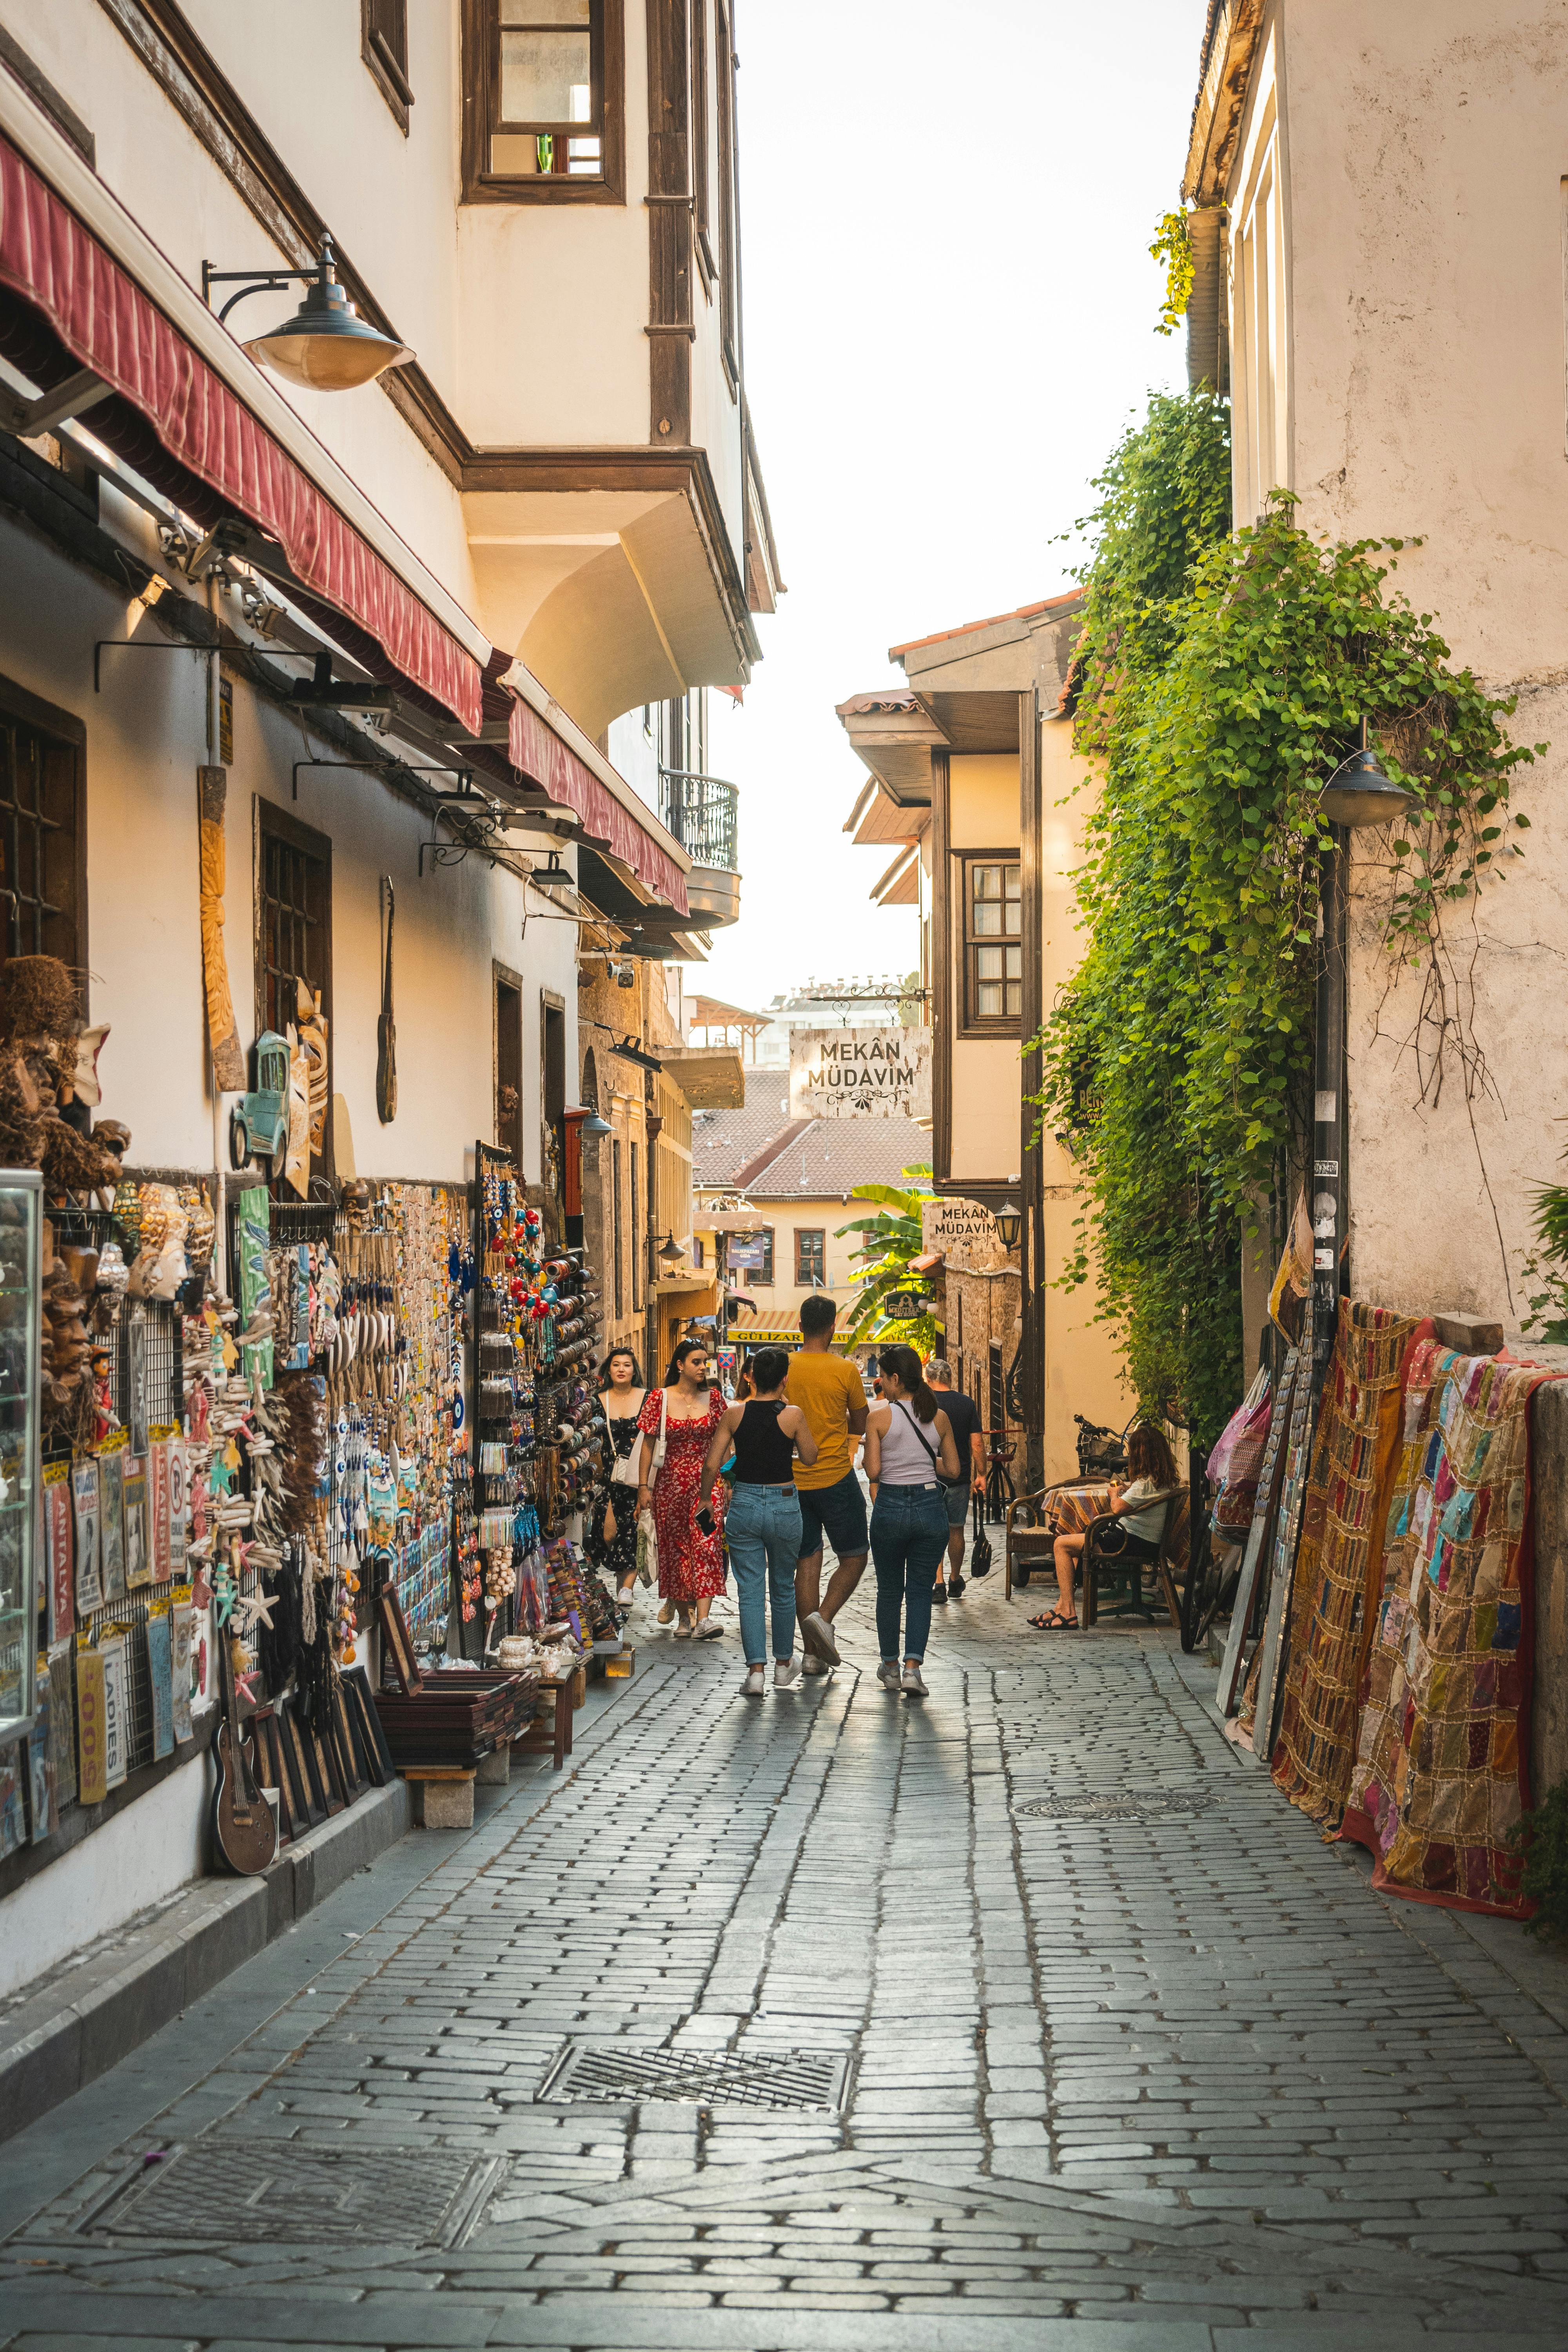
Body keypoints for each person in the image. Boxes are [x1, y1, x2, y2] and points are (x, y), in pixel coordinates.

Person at [700, 1346, 818, 1697]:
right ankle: (784, 1665)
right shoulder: (793, 1415)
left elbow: (711, 1464)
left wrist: (707, 1499)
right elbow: (811, 1458)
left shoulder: (734, 1415)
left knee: (750, 1591)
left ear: (750, 1376)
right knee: (782, 1586)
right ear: (784, 1379)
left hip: (746, 1505)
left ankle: (755, 1673)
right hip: (783, 1505)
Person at [863, 1345, 960, 1697]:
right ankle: (912, 1670)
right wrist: (923, 1461)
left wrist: (880, 1460)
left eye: (884, 1378)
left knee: (890, 1591)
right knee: (920, 1591)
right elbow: (953, 1469)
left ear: (894, 1379)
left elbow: (873, 1471)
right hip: (929, 1508)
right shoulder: (940, 1417)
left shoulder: (878, 1418)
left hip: (890, 1506)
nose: (881, 1385)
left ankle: (889, 1665)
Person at [786, 1295, 870, 1673]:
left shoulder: (784, 1367)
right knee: (854, 1555)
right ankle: (824, 1618)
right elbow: (861, 1420)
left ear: (800, 1326)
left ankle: (810, 1654)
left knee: (807, 1560)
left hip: (792, 1478)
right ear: (833, 1326)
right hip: (835, 1475)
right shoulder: (846, 1370)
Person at [1031, 1420, 1179, 1631]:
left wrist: (1113, 1494)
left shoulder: (1146, 1484)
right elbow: (1139, 1498)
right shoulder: (1163, 1480)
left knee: (1061, 1544)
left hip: (1129, 1542)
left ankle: (1068, 1614)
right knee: (1075, 1545)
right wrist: (1128, 1490)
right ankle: (1062, 1608)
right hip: (1139, 1539)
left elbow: (1118, 1509)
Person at [635, 1338, 728, 1638]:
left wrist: (726, 1480)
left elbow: (726, 1441)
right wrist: (643, 1487)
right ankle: (684, 1619)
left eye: (705, 1362)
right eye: (696, 1362)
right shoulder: (659, 1399)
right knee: (675, 1551)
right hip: (670, 1487)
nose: (703, 1368)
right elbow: (647, 1445)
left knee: (706, 1544)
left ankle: (703, 1619)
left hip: (707, 1488)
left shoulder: (715, 1399)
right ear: (680, 1365)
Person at [924, 1359, 985, 1604]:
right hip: (959, 1478)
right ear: (951, 1379)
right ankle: (954, 1578)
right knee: (956, 1529)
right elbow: (977, 1444)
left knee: (934, 1531)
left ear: (928, 1380)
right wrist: (981, 1474)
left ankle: (937, 1583)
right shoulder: (966, 1404)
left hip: (929, 1477)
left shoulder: (923, 1404)